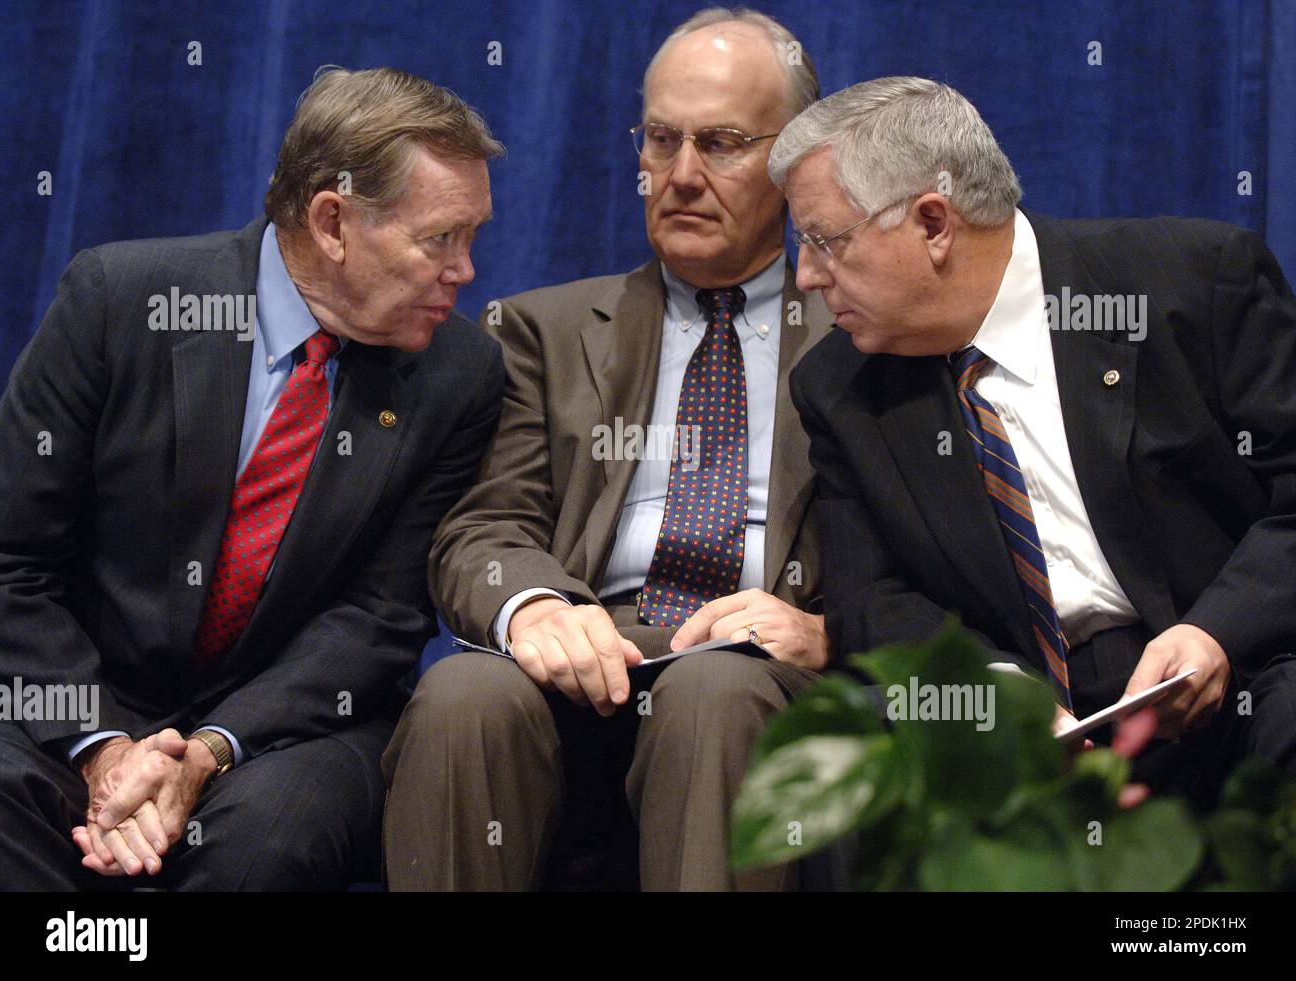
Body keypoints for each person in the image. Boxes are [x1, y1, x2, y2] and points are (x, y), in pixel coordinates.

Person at [0, 66, 504, 889]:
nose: (467, 271)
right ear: (333, 221)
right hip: (81, 700)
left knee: (274, 836)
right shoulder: (121, 301)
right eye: (440, 239)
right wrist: (102, 746)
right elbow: (10, 561)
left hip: (286, 728)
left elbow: (379, 616)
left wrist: (205, 751)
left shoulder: (461, 374)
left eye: (472, 236)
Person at [383, 9, 834, 890]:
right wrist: (536, 608)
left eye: (724, 143)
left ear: (793, 162)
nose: (683, 174)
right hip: (591, 660)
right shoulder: (539, 330)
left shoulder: (859, 337)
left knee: (714, 692)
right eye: (662, 140)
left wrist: (830, 628)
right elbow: (483, 530)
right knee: (461, 695)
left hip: (762, 679)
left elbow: (931, 552)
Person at [775, 76, 1296, 802]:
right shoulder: (840, 388)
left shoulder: (1190, 283)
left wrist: (1218, 632)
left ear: (932, 223)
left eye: (825, 242)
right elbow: (871, 598)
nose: (804, 276)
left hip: (1238, 679)